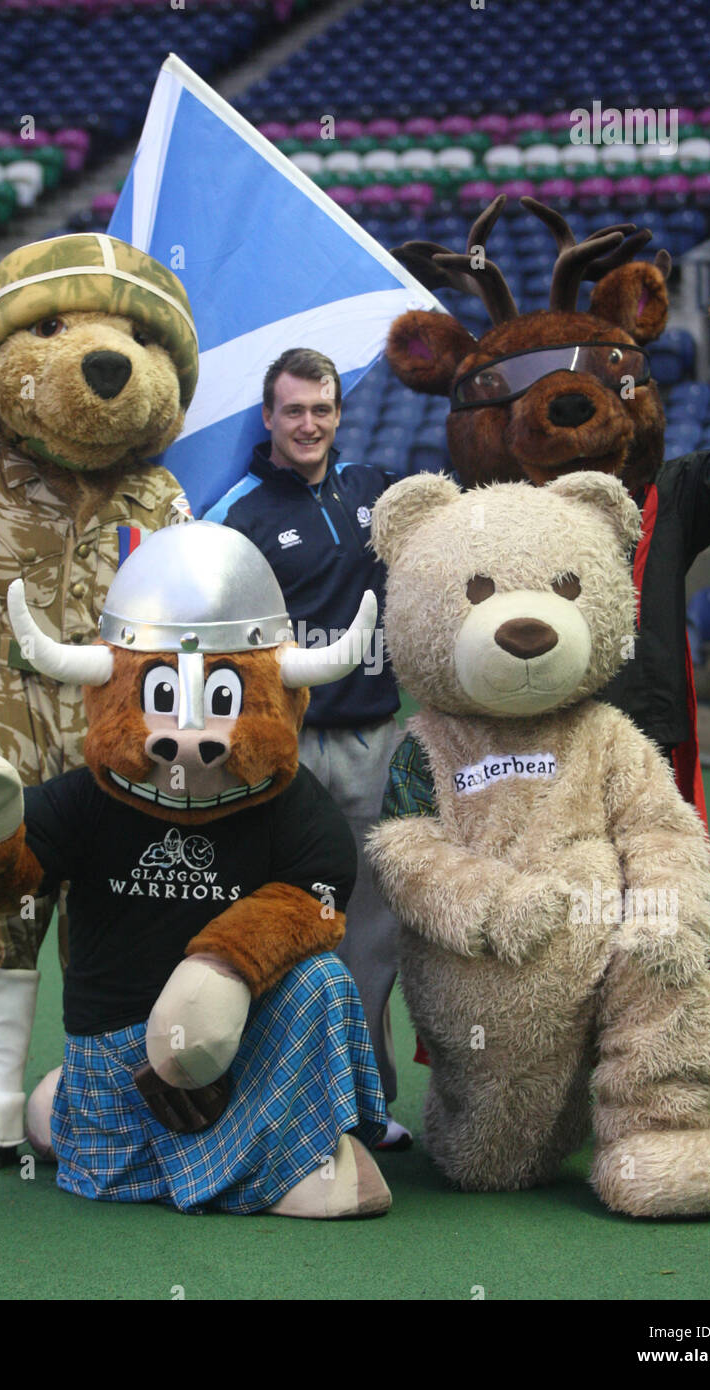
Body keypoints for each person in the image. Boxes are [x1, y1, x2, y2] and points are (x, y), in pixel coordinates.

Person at [204, 348, 410, 1149]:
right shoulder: (240, 512)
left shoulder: (377, 493)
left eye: (322, 408)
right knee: (274, 920)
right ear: (268, 417)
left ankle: (365, 1104)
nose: (310, 423)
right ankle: (267, 1099)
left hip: (374, 743)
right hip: (283, 750)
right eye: (294, 410)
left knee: (371, 931)